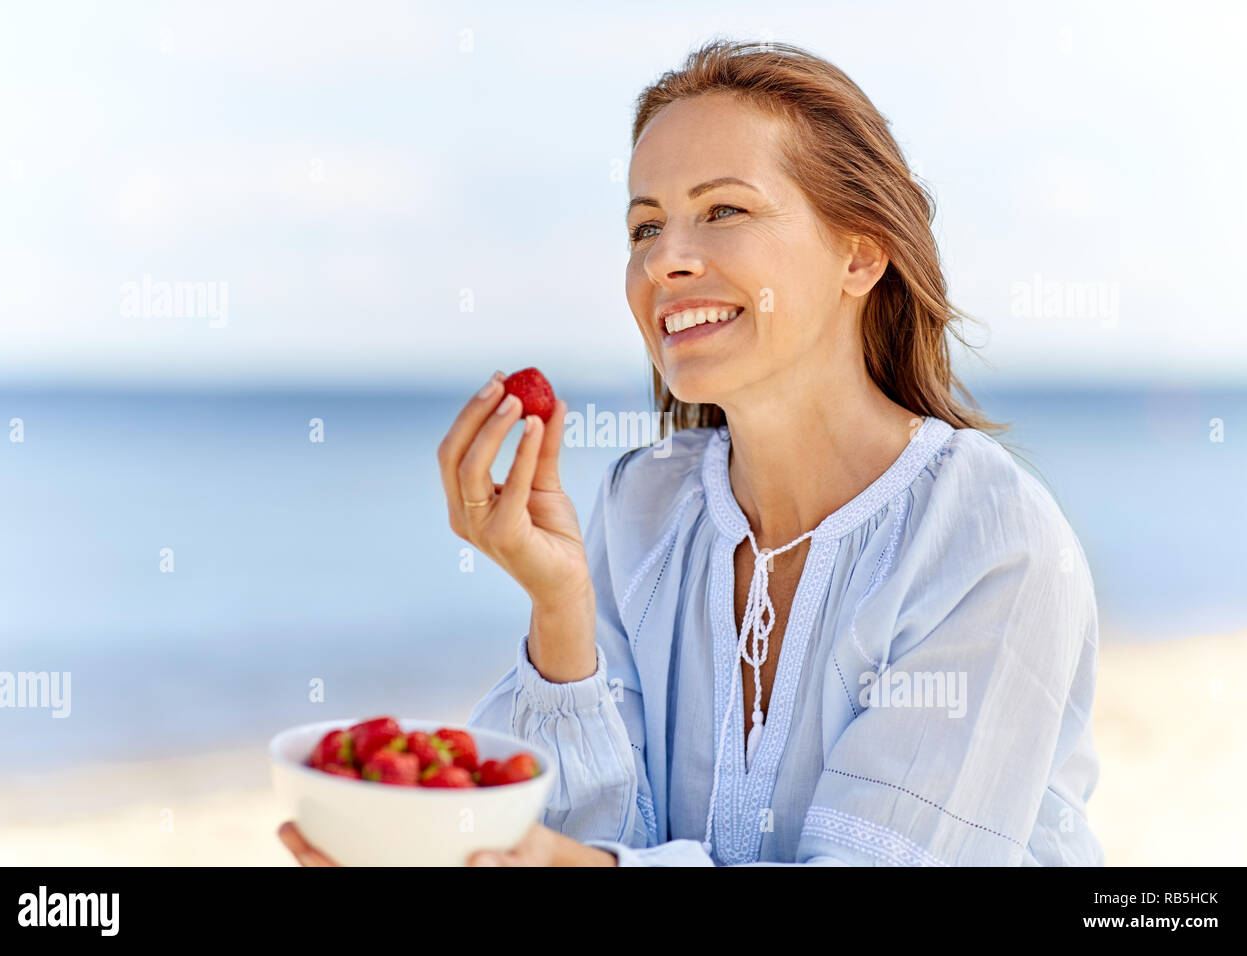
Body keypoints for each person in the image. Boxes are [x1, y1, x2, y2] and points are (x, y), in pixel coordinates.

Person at [281, 38, 1105, 867]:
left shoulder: (989, 541)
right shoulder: (644, 503)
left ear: (860, 253)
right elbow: (570, 834)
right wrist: (561, 603)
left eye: (723, 211)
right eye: (645, 226)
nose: (664, 260)